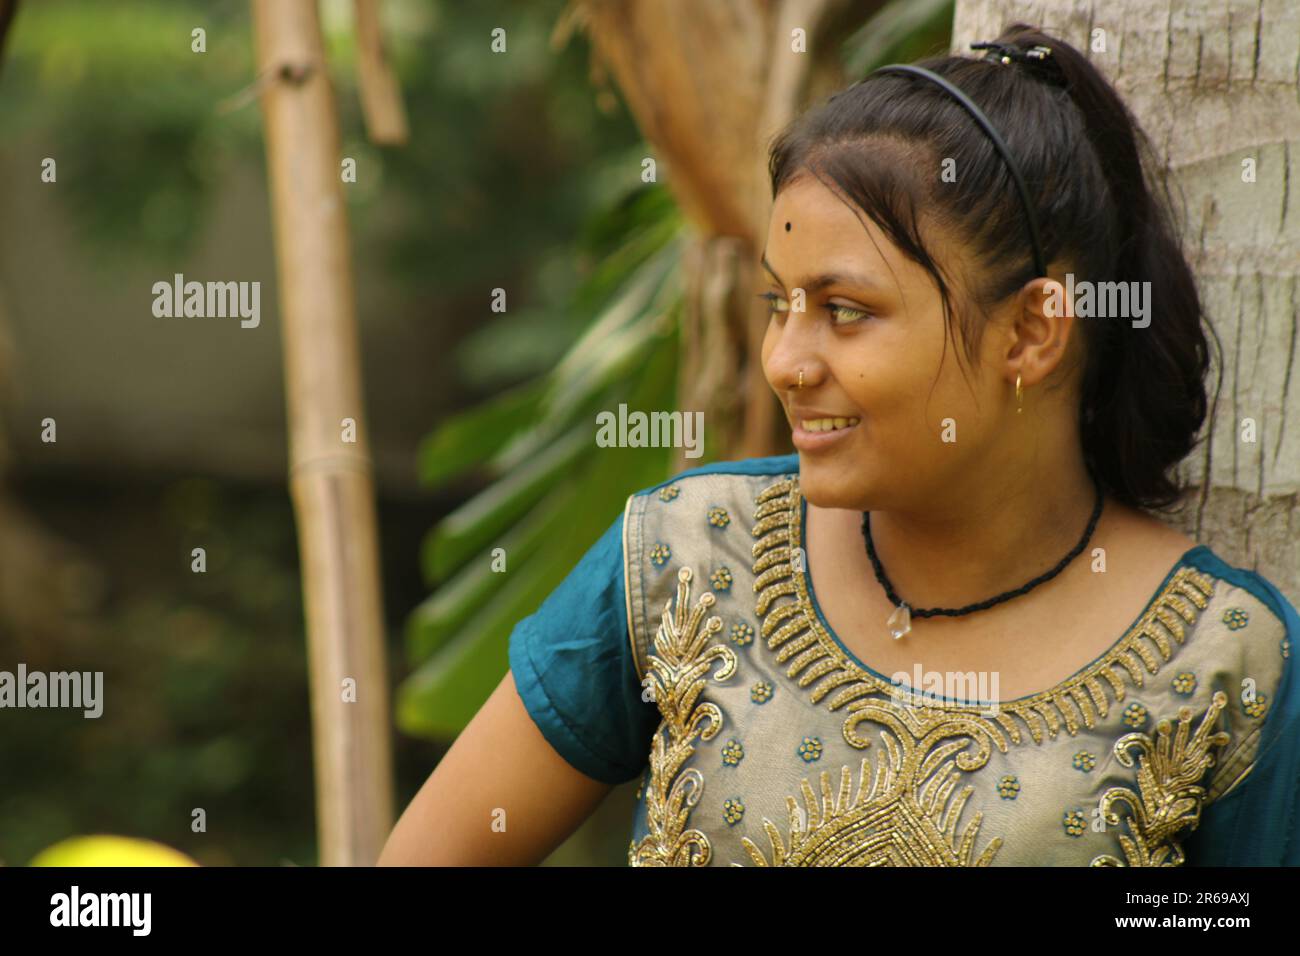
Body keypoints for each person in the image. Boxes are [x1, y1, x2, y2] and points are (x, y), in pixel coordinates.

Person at [378, 23, 1300, 867]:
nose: (783, 361)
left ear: (1030, 333)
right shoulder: (689, 558)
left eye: (845, 312)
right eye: (780, 304)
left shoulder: (1223, 665)